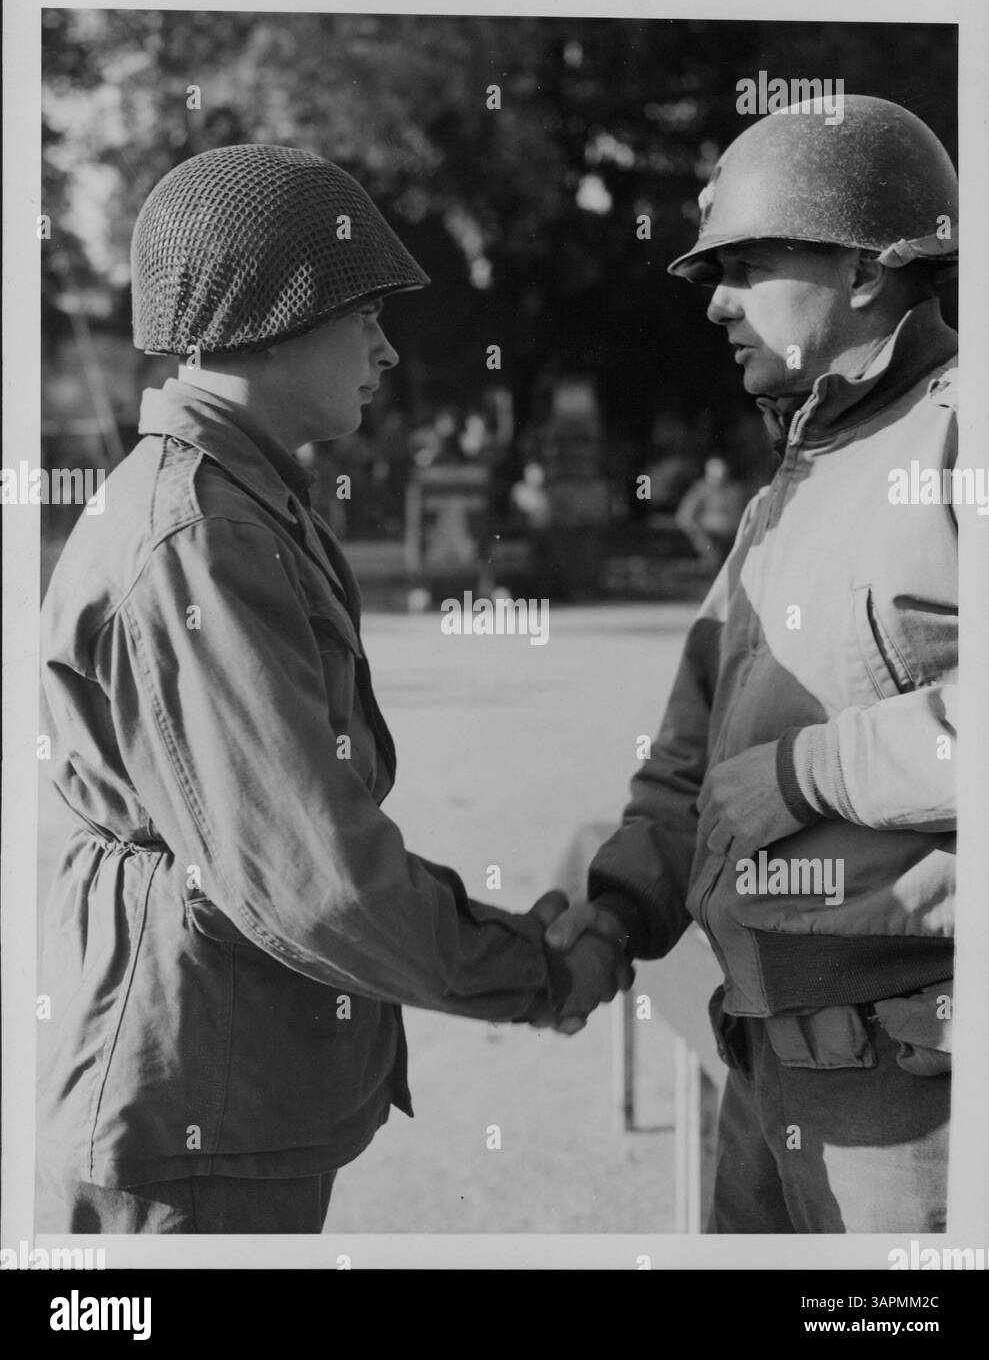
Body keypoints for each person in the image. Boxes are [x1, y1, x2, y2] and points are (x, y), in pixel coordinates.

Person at [36, 145, 631, 1235]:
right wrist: (536, 972)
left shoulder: (243, 501)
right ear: (267, 312)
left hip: (222, 1082)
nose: (387, 344)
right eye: (360, 310)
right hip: (193, 1124)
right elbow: (316, 877)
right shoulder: (199, 534)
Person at [543, 96, 959, 1232]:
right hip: (762, 1075)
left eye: (747, 264)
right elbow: (691, 756)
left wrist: (807, 773)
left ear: (868, 270)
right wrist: (614, 919)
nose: (716, 302)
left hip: (919, 1096)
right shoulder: (792, 480)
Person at [674, 455, 748, 569]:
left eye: (723, 476)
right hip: (709, 539)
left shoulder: (736, 490)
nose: (719, 480)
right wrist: (700, 538)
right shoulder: (700, 490)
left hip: (733, 537)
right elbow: (684, 517)